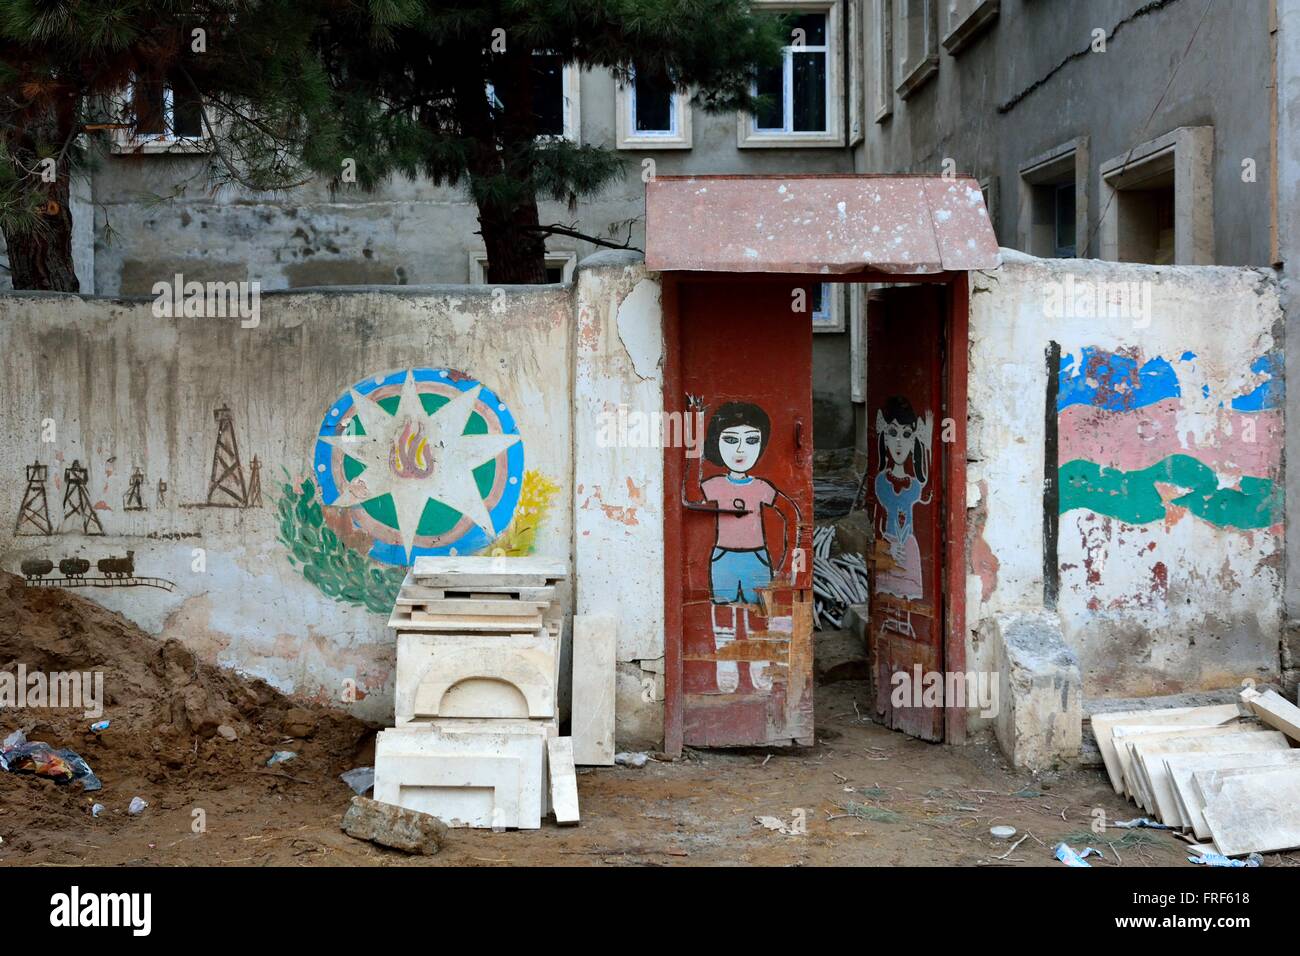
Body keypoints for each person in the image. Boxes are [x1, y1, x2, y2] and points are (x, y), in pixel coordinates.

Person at [685, 397, 800, 693]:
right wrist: (695, 427)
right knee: (722, 609)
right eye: (730, 440)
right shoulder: (716, 485)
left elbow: (790, 513)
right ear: (717, 444)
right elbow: (691, 495)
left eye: (751, 441)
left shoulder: (761, 487)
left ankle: (759, 661)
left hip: (756, 558)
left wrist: (789, 558)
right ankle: (725, 662)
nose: (740, 450)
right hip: (722, 557)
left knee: (757, 611)